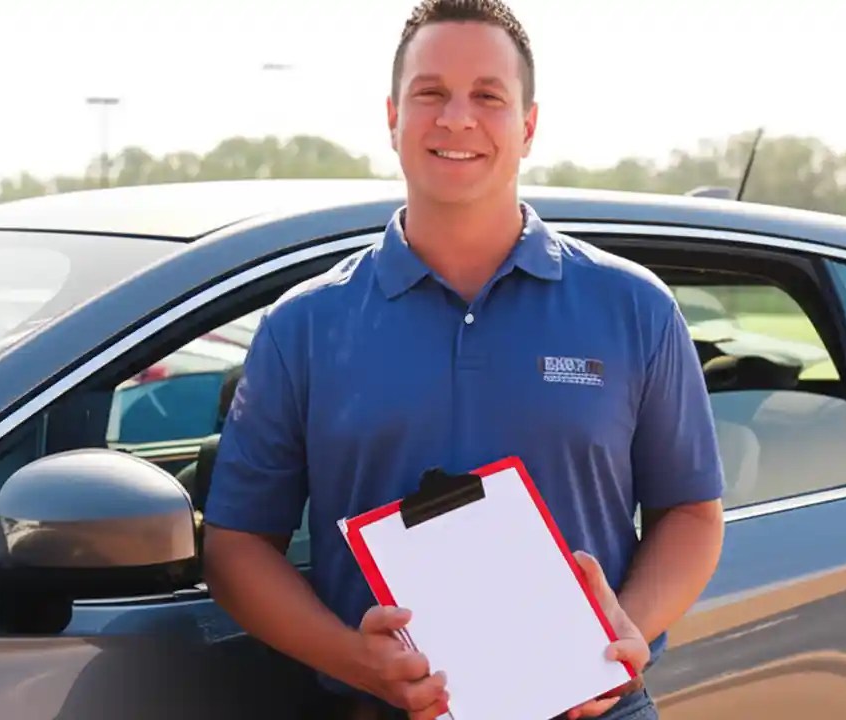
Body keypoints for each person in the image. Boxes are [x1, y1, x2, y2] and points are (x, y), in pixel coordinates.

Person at [202, 1, 726, 718]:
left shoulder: (635, 309)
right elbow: (235, 549)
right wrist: (355, 659)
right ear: (392, 117)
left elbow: (692, 512)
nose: (456, 119)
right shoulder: (305, 325)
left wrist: (622, 632)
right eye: (430, 94)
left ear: (528, 125)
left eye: (488, 96)